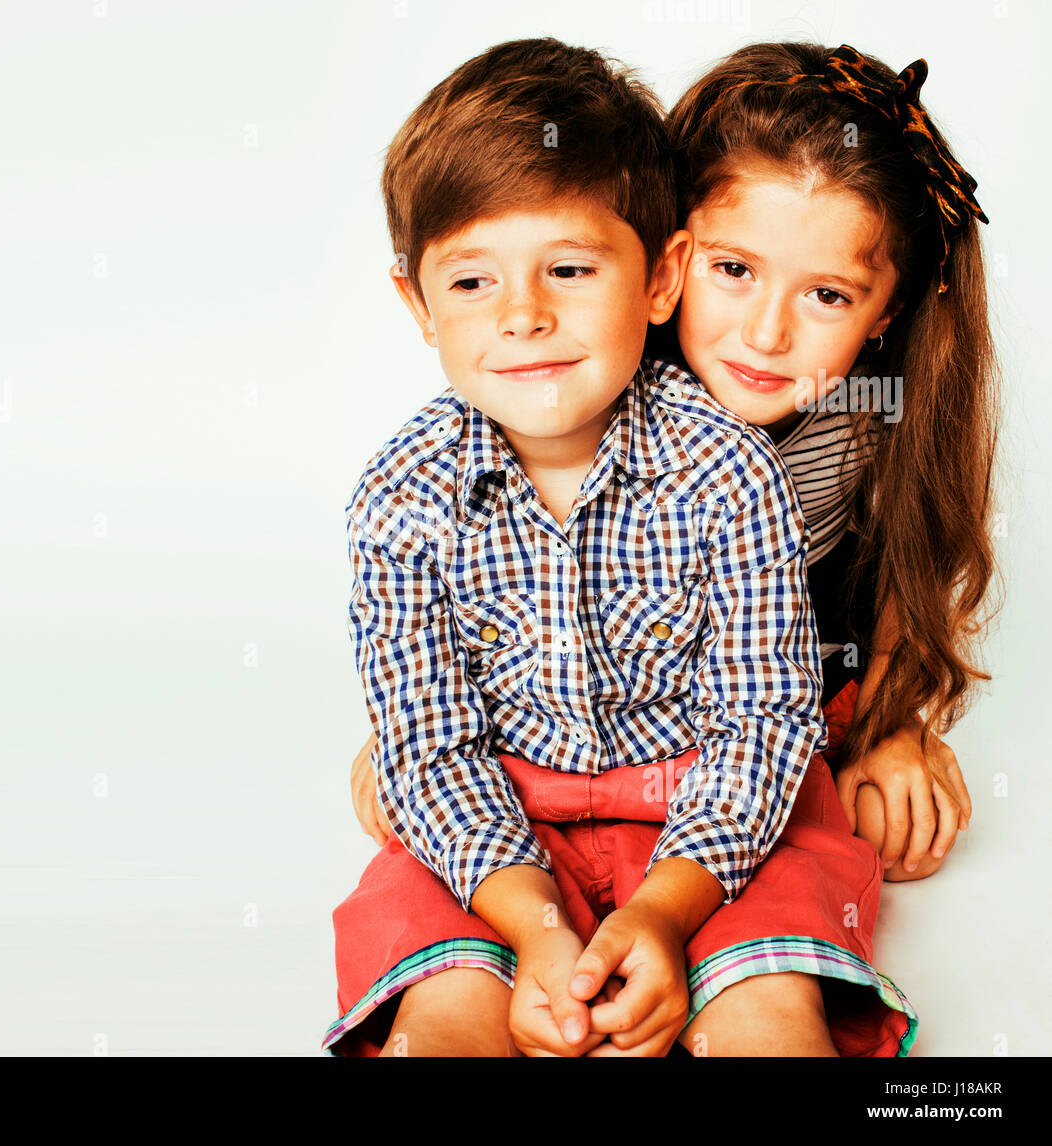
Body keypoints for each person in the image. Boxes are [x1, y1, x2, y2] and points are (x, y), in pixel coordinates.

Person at [326, 37, 913, 1059]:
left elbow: (762, 725)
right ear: (414, 305)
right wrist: (534, 926)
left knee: (767, 1014)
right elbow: (429, 749)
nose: (521, 314)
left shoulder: (730, 471)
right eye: (470, 284)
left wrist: (663, 915)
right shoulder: (398, 496)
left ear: (658, 279)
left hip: (715, 817)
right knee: (443, 1016)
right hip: (500, 822)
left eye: (567, 268)